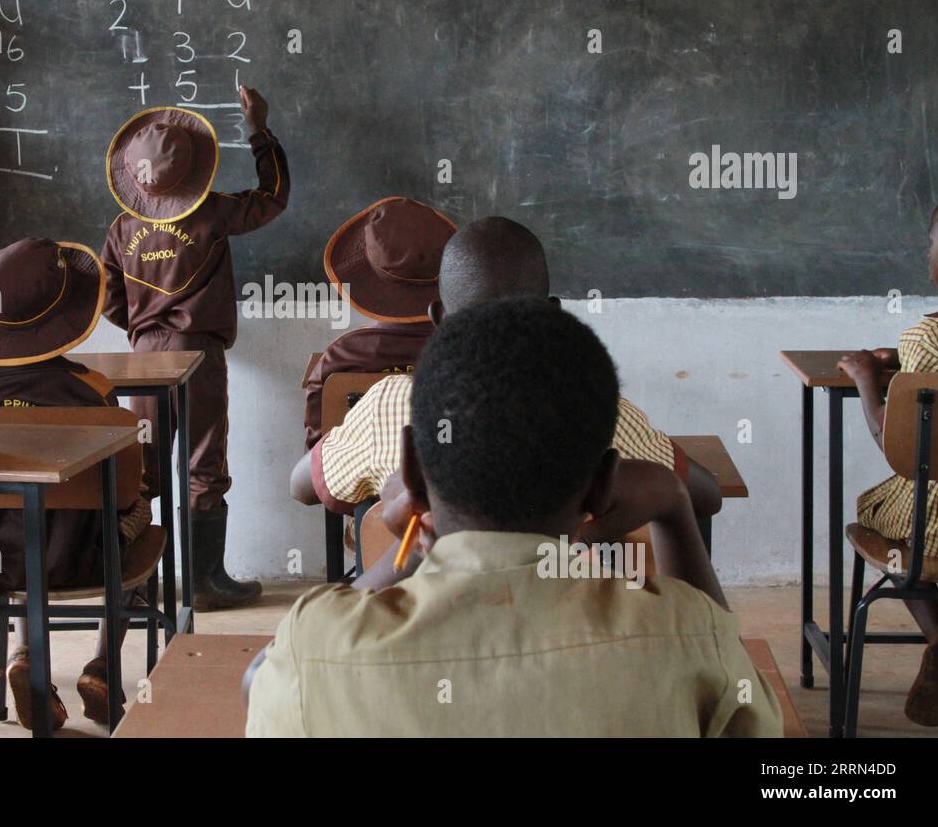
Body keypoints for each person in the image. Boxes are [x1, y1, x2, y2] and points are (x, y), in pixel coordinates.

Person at [246, 298, 782, 737]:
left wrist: (406, 548)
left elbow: (262, 681)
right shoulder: (687, 636)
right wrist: (673, 508)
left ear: (411, 468)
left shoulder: (317, 647)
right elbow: (746, 714)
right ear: (601, 484)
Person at [290, 217, 722, 524]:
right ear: (551, 314)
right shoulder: (598, 412)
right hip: (562, 641)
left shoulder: (389, 405)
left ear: (438, 318)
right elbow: (704, 494)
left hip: (424, 637)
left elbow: (302, 486)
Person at [0, 238, 153, 729]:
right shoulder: (91, 393)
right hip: (82, 558)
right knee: (132, 512)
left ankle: (24, 654)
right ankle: (102, 666)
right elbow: (122, 491)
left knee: (16, 521)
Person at [101, 88, 290, 610]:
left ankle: (136, 587)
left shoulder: (122, 227)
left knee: (140, 471)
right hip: (199, 356)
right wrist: (259, 131)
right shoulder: (212, 213)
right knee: (203, 466)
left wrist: (143, 330)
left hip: (144, 362)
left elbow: (107, 298)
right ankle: (204, 583)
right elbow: (272, 197)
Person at [838, 195, 938, 726]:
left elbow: (893, 443)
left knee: (892, 523)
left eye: (931, 244)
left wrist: (866, 377)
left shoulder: (926, 336)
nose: (927, 253)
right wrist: (906, 367)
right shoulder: (922, 346)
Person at [302, 197, 455, 450]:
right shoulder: (466, 351)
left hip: (356, 488)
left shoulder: (340, 358)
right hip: (449, 486)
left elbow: (316, 453)